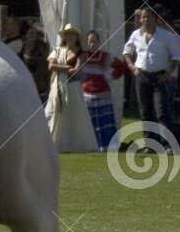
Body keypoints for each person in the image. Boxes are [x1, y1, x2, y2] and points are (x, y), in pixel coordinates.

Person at [122, 7, 180, 141]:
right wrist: (132, 67)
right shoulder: (136, 35)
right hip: (142, 76)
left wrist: (168, 73)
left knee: (161, 112)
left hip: (159, 77)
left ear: (155, 19)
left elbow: (177, 56)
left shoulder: (166, 36)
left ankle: (167, 144)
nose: (145, 20)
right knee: (145, 112)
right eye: (143, 17)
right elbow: (127, 51)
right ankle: (150, 143)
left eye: (148, 17)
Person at [44, 24, 97, 152]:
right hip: (57, 87)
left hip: (73, 88)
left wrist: (60, 68)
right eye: (67, 34)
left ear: (76, 36)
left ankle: (71, 144)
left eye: (72, 34)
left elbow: (77, 71)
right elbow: (51, 66)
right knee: (53, 112)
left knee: (73, 116)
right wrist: (66, 68)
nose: (69, 36)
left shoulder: (81, 53)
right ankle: (52, 142)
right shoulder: (57, 50)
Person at [78, 29, 125, 150]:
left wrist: (109, 76)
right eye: (89, 42)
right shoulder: (82, 56)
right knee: (90, 122)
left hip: (103, 94)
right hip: (87, 95)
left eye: (94, 41)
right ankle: (92, 146)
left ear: (99, 42)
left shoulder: (105, 56)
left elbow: (121, 67)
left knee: (105, 122)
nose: (91, 44)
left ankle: (108, 146)